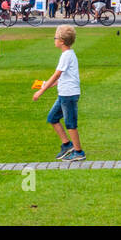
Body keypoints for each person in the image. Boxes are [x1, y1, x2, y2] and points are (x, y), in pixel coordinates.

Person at [33, 24, 86, 161]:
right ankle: (67, 145)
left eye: (55, 37)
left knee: (70, 123)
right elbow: (63, 77)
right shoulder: (68, 55)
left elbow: (57, 75)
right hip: (64, 93)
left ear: (61, 41)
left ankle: (79, 152)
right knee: (52, 118)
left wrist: (41, 91)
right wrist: (47, 84)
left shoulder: (66, 56)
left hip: (68, 94)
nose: (54, 39)